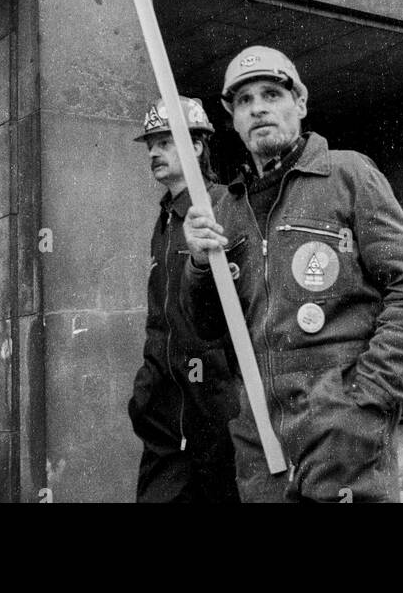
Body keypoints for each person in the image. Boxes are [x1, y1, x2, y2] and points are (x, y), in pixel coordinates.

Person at [181, 46, 403, 504]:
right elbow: (207, 328)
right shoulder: (223, 208)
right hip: (260, 440)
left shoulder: (347, 174)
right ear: (234, 118)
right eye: (243, 101)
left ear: (299, 104)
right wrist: (199, 263)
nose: (258, 108)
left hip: (343, 429)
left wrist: (364, 400)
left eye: (270, 94)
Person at [128, 95, 240, 503]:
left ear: (195, 145)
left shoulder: (226, 207)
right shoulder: (165, 220)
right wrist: (147, 389)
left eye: (165, 141)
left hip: (213, 408)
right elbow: (161, 316)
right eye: (151, 144)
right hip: (163, 409)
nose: (154, 152)